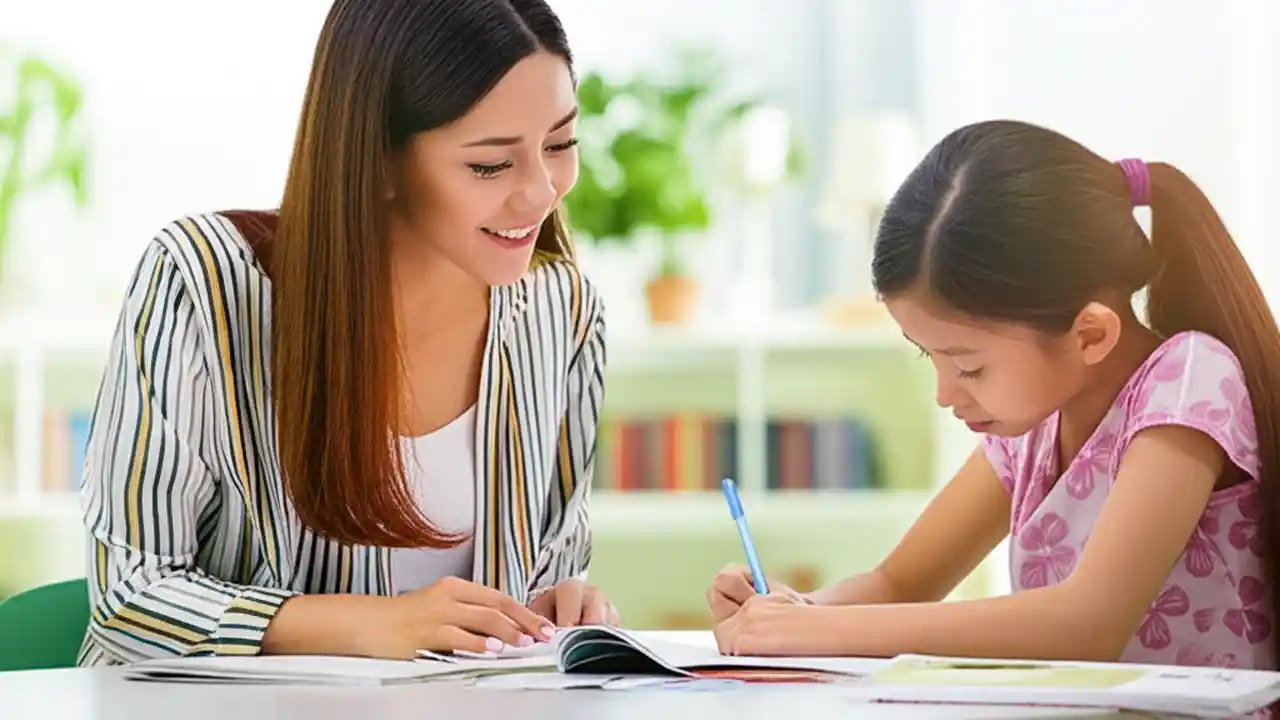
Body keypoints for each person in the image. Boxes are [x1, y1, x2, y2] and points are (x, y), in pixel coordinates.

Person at [78, 0, 616, 665]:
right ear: (377, 158)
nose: (542, 192)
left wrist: (557, 605)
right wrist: (373, 625)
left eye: (560, 145)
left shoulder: (562, 312)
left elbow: (546, 574)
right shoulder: (204, 284)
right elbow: (130, 597)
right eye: (489, 165)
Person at [708, 119, 1280, 670]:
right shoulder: (1034, 426)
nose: (944, 393)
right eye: (927, 356)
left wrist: (816, 631)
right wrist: (792, 612)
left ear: (1089, 334)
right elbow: (898, 583)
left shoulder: (1187, 380)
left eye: (970, 367)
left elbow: (1087, 625)